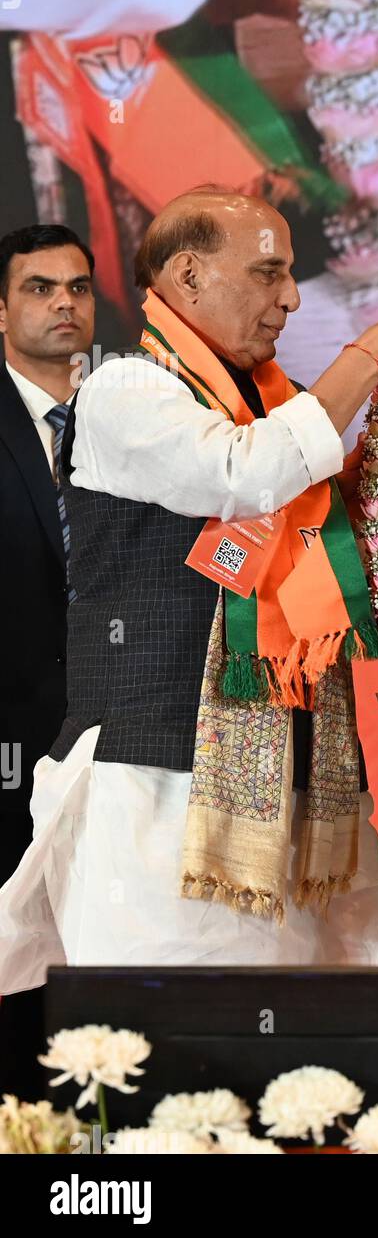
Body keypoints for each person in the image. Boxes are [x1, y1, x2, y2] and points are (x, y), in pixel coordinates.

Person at [0, 187, 378, 993]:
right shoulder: (123, 389)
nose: (290, 297)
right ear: (186, 275)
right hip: (159, 790)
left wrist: (357, 491)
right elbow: (241, 475)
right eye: (268, 272)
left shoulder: (263, 404)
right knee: (177, 1051)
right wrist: (371, 354)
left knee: (322, 1044)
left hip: (298, 780)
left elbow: (278, 493)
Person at [0, 224, 94, 1096]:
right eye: (39, 288)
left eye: (77, 287)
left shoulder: (120, 419)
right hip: (7, 749)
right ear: (1, 310)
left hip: (110, 751)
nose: (64, 302)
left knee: (94, 973)